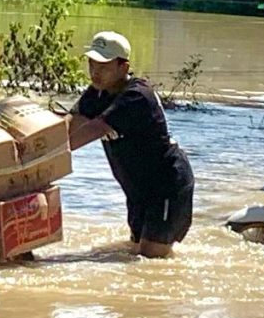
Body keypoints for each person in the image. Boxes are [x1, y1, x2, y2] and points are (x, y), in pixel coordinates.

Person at [67, 31, 197, 259]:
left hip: (166, 184)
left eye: (103, 66)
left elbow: (87, 133)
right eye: (92, 65)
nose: (95, 72)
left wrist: (38, 157)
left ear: (123, 67)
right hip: (137, 188)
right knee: (134, 252)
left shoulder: (137, 97)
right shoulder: (96, 94)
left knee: (150, 258)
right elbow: (69, 126)